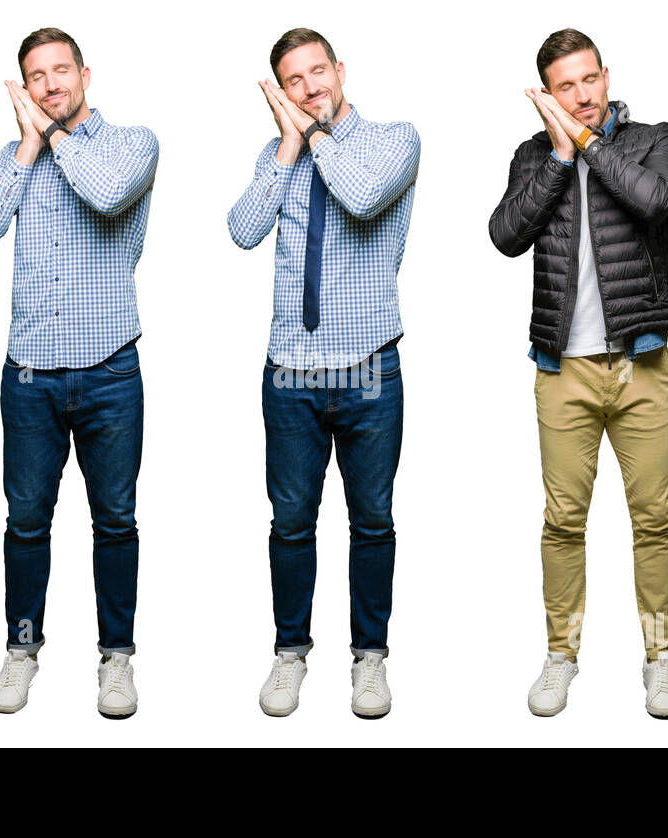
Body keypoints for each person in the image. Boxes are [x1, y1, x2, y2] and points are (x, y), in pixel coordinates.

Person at [488, 28, 668, 718]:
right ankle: (561, 654)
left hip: (640, 365)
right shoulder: (531, 155)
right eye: (565, 86)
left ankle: (661, 659)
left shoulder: (655, 140)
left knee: (653, 519)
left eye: (589, 80)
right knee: (563, 520)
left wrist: (590, 146)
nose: (581, 96)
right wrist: (557, 156)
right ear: (548, 92)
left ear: (607, 76)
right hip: (562, 370)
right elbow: (505, 235)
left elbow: (653, 201)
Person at [0, 27, 158, 719]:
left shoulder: (132, 144)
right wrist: (25, 145)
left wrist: (50, 136)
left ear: (85, 74)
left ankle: (117, 657)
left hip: (109, 372)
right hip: (29, 377)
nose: (50, 84)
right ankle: (21, 650)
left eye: (60, 70)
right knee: (25, 521)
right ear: (25, 85)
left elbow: (106, 197)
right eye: (36, 76)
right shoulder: (16, 154)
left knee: (115, 521)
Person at [228, 27, 419, 718]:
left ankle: (370, 660)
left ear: (340, 70)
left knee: (371, 521)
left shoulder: (393, 140)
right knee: (290, 523)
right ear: (282, 91)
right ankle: (289, 653)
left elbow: (363, 197)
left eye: (318, 73)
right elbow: (243, 229)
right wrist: (286, 146)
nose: (311, 89)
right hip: (290, 374)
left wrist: (311, 138)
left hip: (368, 368)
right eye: (294, 81)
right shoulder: (278, 153)